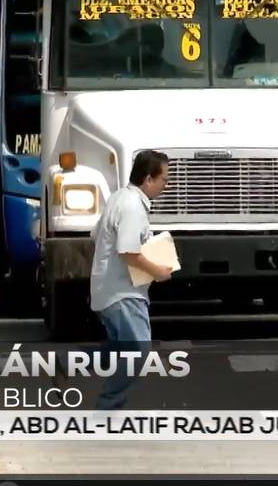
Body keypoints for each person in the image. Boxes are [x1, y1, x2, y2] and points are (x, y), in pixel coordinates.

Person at [89, 150, 174, 410]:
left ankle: (65, 365)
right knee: (138, 352)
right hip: (123, 293)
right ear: (148, 179)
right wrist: (157, 270)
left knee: (117, 353)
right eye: (164, 179)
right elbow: (127, 252)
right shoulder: (133, 207)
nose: (165, 185)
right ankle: (107, 407)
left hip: (107, 291)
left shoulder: (118, 199)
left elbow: (96, 235)